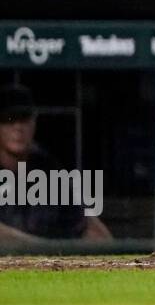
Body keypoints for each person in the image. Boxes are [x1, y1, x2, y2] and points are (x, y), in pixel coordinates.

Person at [0, 84, 112, 243]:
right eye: (9, 119)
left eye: (24, 118)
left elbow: (88, 227)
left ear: (34, 122)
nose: (18, 127)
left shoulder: (48, 168)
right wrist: (46, 251)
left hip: (45, 263)